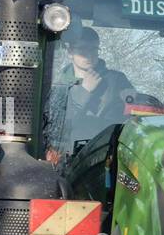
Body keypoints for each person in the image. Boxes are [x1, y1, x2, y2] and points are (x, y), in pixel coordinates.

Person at [43, 26, 136, 162]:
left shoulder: (116, 80)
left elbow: (130, 117)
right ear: (70, 52)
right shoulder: (59, 87)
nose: (89, 55)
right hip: (67, 158)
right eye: (83, 50)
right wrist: (84, 91)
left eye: (93, 49)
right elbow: (56, 128)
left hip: (107, 154)